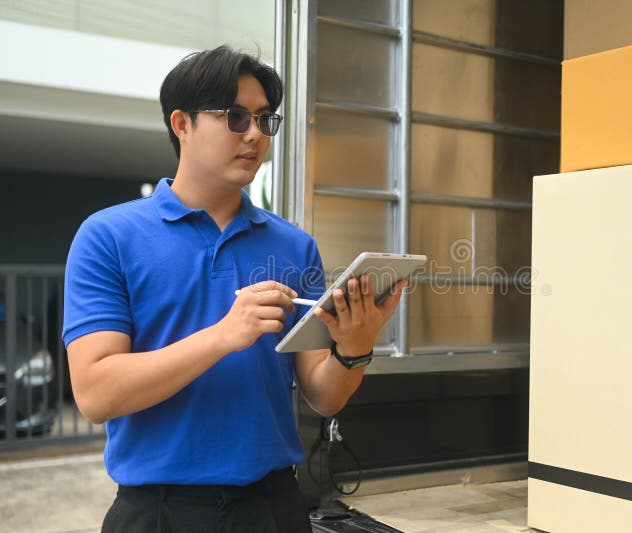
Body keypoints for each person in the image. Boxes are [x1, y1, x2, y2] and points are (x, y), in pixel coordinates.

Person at [62, 45, 405, 533]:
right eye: (236, 117)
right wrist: (224, 335)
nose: (254, 135)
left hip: (274, 508)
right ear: (182, 124)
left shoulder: (294, 246)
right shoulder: (108, 236)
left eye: (265, 120)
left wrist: (355, 347)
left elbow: (323, 396)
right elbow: (95, 394)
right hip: (158, 512)